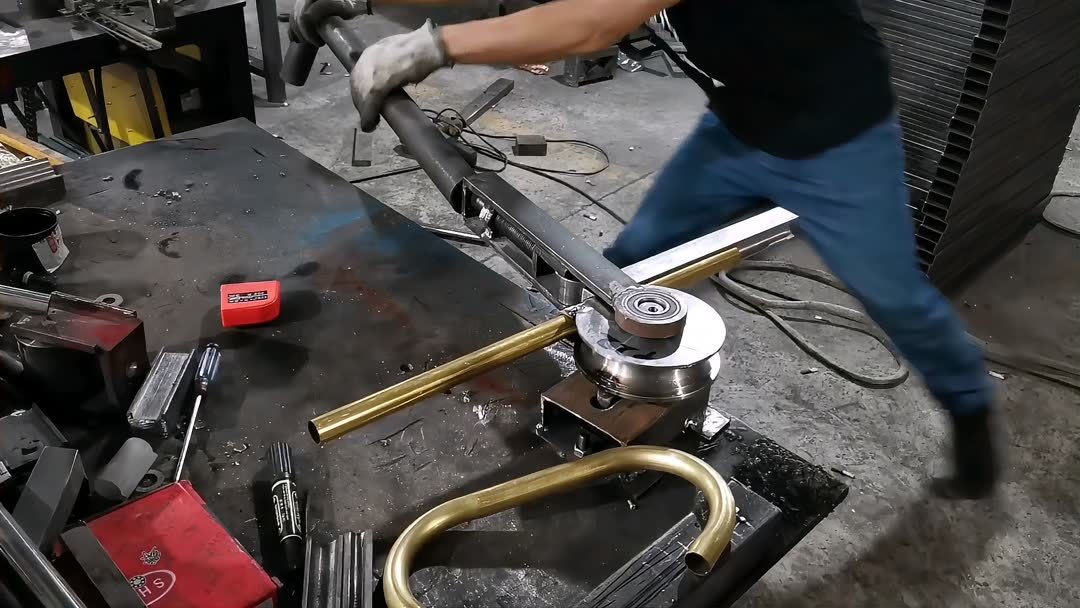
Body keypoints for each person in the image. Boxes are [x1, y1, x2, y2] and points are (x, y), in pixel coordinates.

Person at [291, 0, 1001, 499]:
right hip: (741, 126)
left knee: (896, 298)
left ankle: (972, 414)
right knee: (625, 275)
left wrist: (429, 47)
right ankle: (615, 413)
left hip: (839, 140)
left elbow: (594, 23)